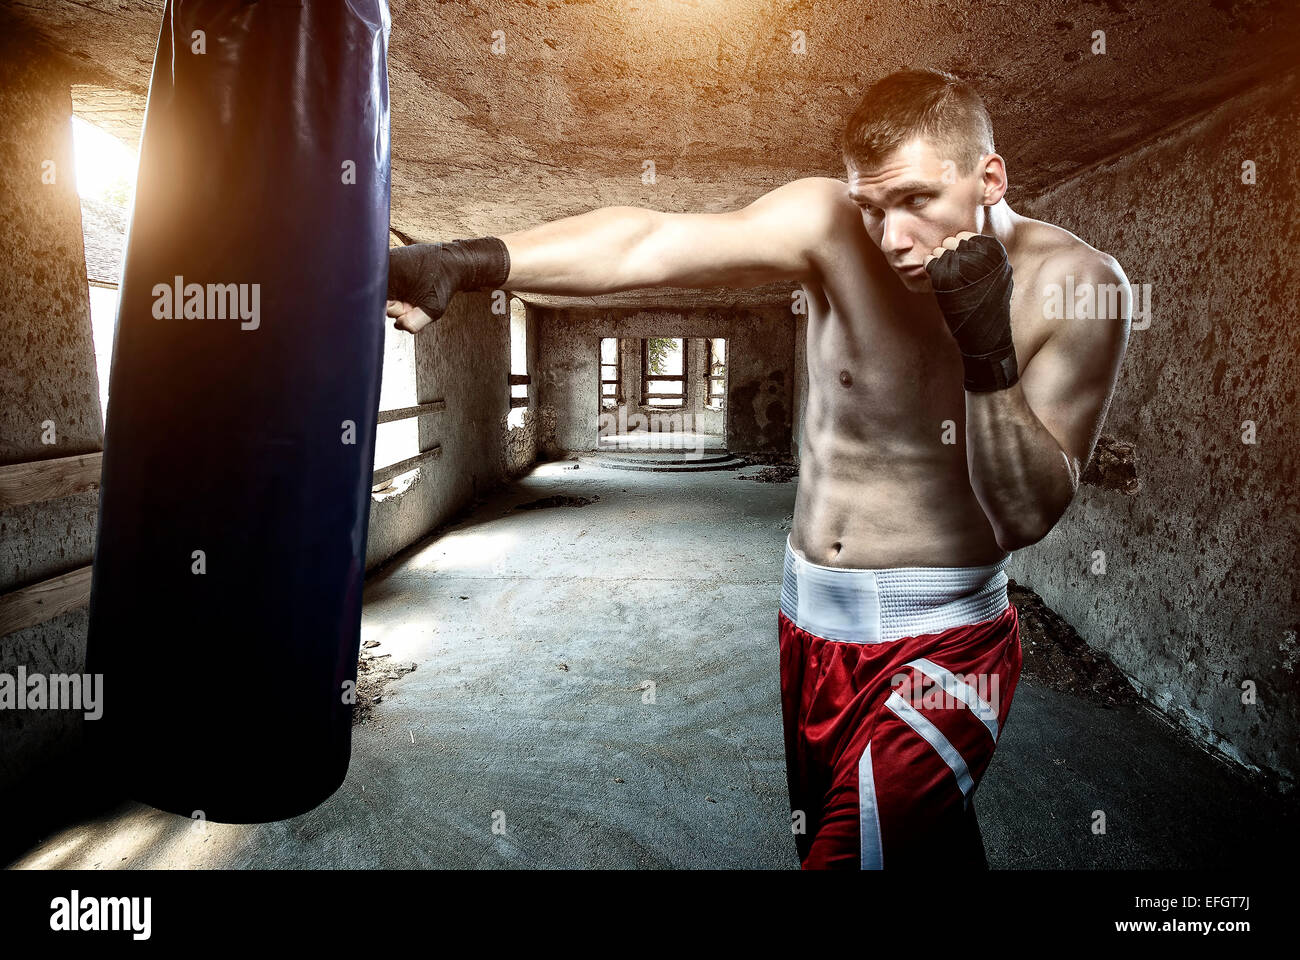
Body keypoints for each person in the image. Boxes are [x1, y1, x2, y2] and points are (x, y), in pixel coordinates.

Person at [386, 67, 1132, 869]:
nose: (890, 238)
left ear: (990, 178)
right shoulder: (829, 222)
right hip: (807, 625)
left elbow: (1025, 516)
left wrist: (987, 353)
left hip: (941, 647)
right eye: (873, 208)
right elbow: (651, 241)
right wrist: (469, 260)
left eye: (916, 201)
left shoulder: (1078, 287)